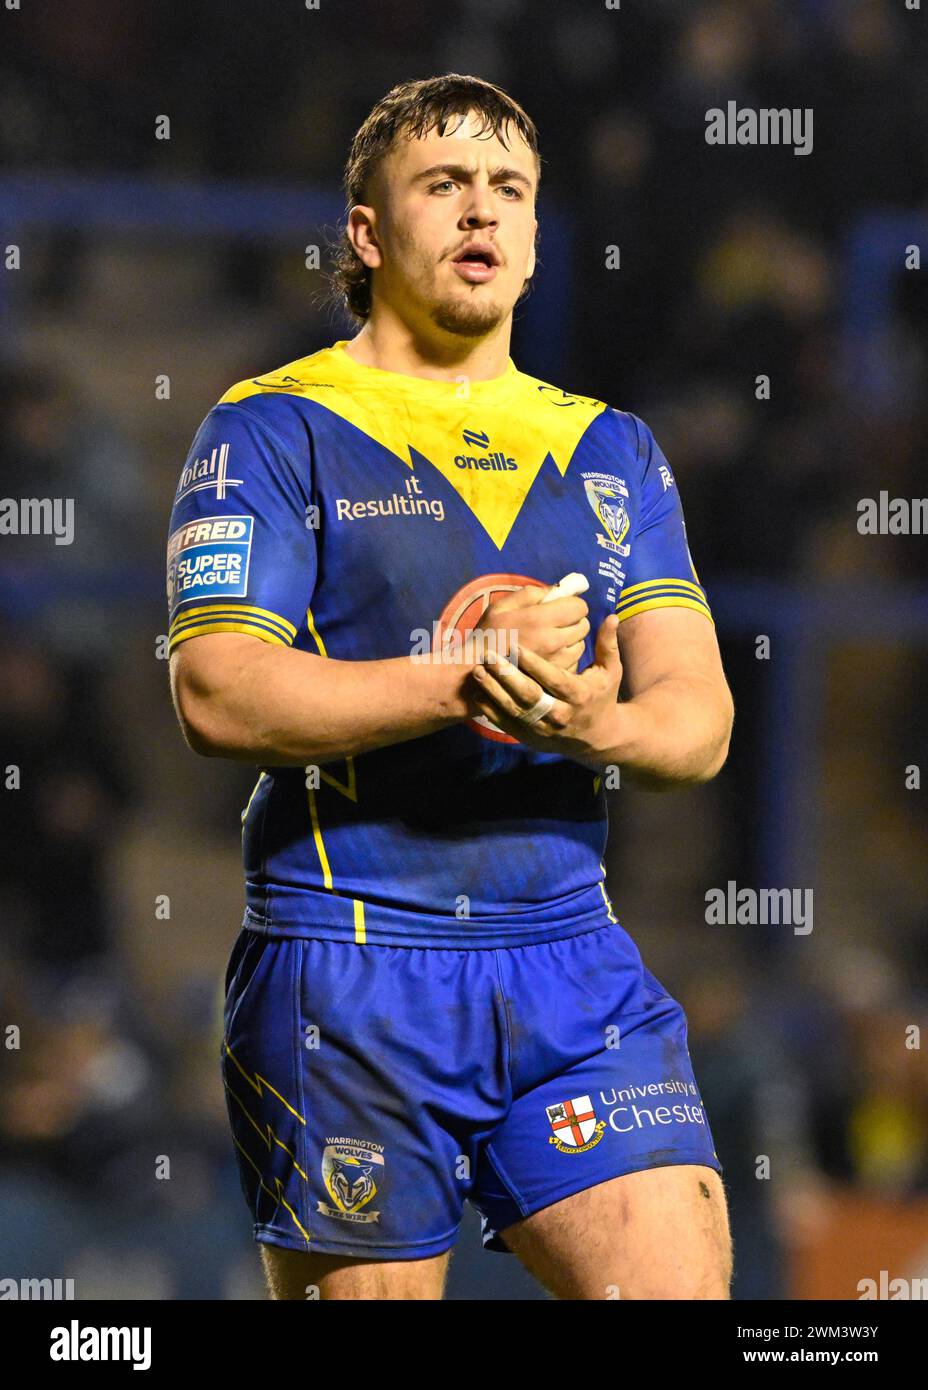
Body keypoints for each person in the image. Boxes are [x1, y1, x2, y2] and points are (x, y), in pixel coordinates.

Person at [166, 73, 735, 1301]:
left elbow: (697, 723)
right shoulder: (271, 428)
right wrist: (462, 683)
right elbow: (218, 693)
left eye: (507, 190)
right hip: (350, 967)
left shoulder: (610, 447)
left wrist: (599, 722)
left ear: (533, 240)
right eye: (443, 185)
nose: (479, 211)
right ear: (368, 235)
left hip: (571, 962)